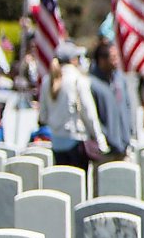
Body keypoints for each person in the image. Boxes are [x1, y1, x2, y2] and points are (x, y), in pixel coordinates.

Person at [39, 41, 107, 169]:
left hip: (56, 141)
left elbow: (43, 116)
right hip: (76, 140)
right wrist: (99, 139)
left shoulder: (46, 81)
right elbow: (88, 113)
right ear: (73, 60)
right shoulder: (78, 80)